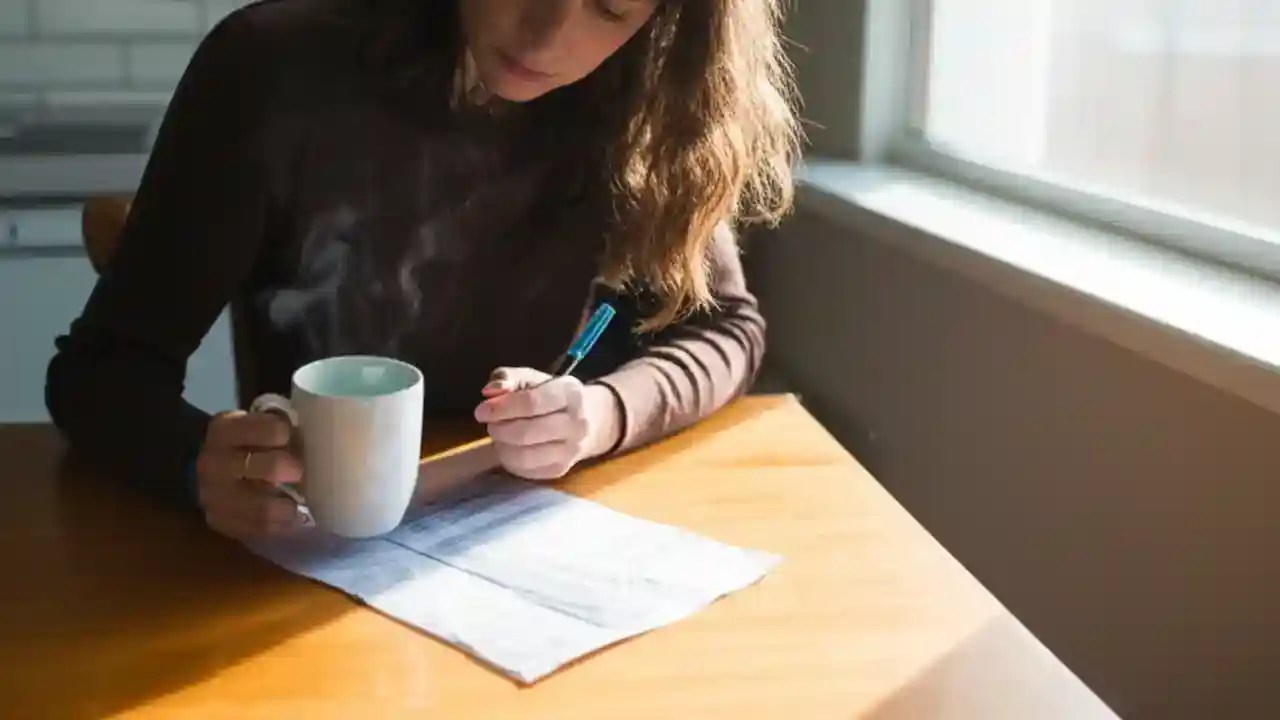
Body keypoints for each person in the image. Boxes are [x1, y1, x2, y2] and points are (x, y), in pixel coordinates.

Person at [45, 0, 800, 540]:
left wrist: (603, 414)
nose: (546, 37)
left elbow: (726, 329)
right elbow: (97, 375)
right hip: (312, 556)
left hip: (519, 544)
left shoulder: (645, 96)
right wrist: (192, 461)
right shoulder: (273, 67)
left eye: (609, 7)